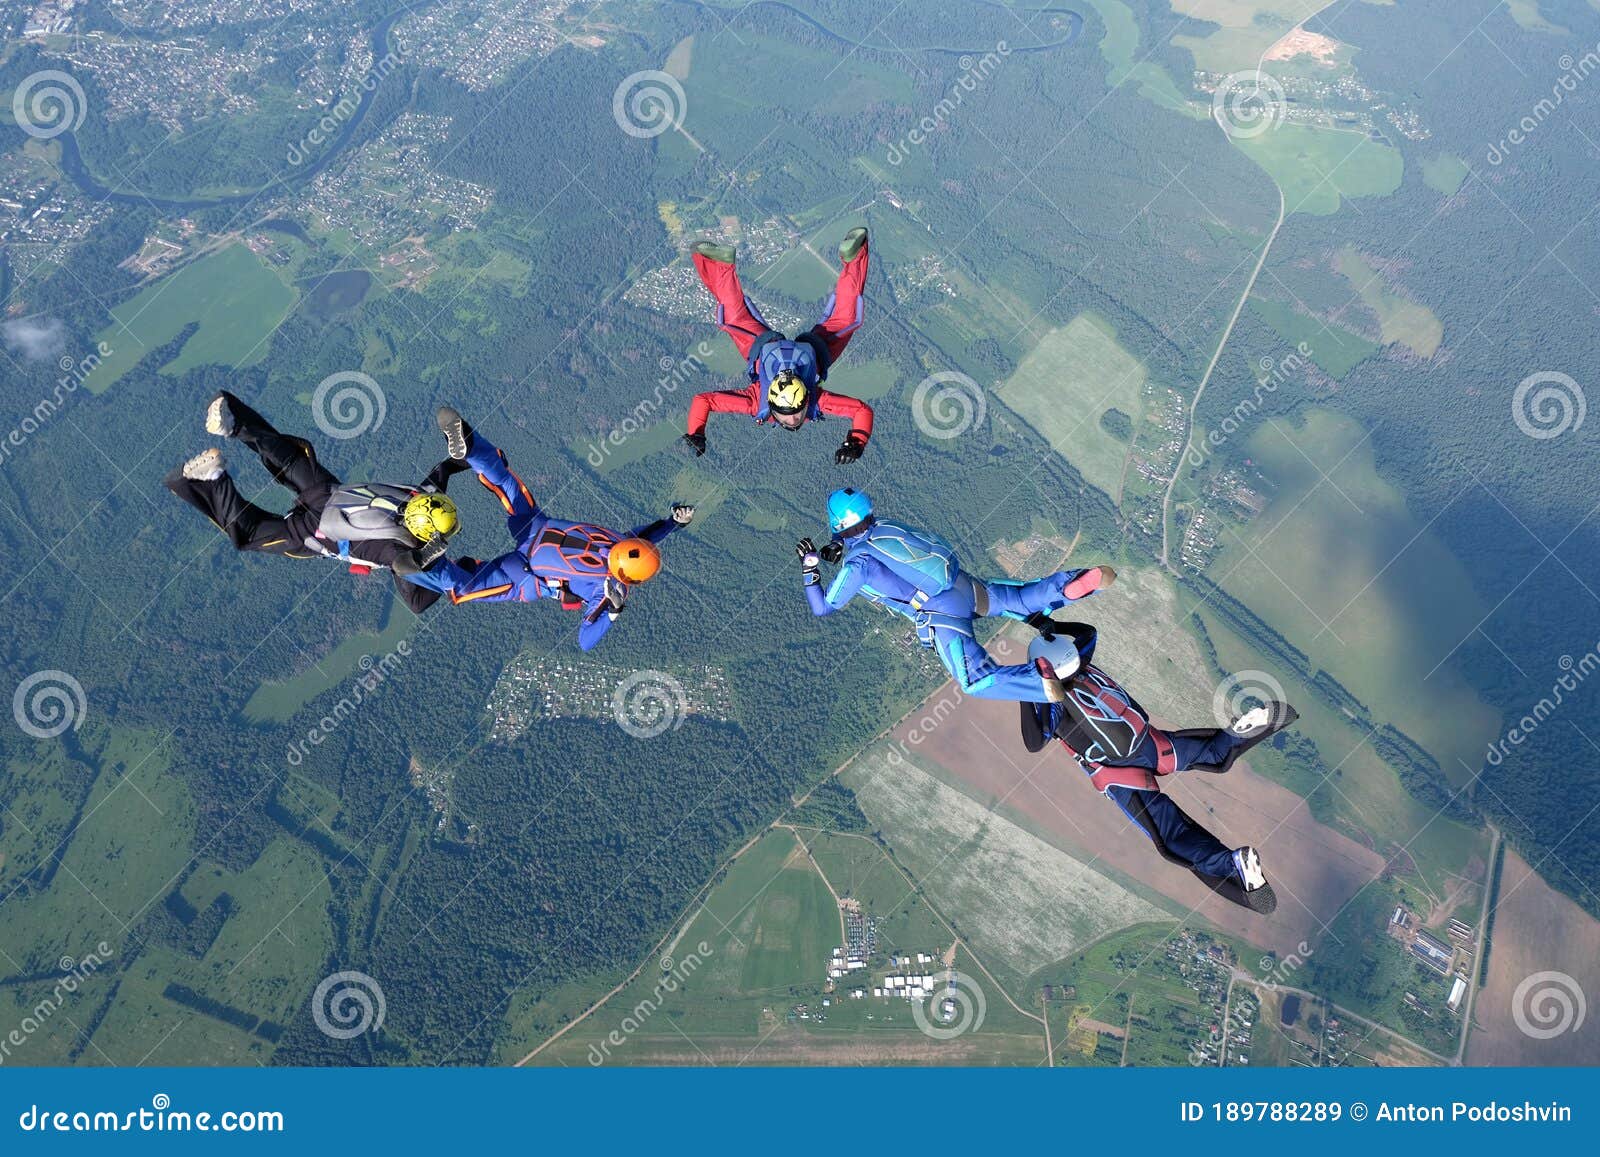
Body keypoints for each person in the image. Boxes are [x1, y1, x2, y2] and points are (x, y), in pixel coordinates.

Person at [1019, 620, 1298, 914]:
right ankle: (1239, 732)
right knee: (1214, 754)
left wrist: (1022, 691)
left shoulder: (1052, 702)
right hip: (1148, 743)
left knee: (1173, 839)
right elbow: (1088, 632)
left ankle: (1232, 864)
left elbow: (1034, 741)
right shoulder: (1082, 662)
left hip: (1118, 773)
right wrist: (1047, 625)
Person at [404, 407, 693, 650]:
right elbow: (585, 640)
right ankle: (427, 561)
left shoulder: (621, 541)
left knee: (506, 483)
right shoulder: (609, 588)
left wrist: (673, 523)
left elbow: (649, 538)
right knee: (466, 586)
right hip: (527, 575)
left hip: (536, 528)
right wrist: (614, 613)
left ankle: (473, 447)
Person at [797, 487, 1115, 703]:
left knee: (975, 679)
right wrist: (842, 544)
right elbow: (870, 541)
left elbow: (824, 607)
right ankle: (1071, 583)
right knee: (1017, 599)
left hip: (939, 612)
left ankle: (1038, 683)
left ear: (837, 524)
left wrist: (810, 569)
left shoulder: (858, 563)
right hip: (961, 584)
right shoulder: (883, 526)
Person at [164, 391, 462, 614]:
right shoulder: (400, 549)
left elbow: (443, 470)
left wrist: (465, 453)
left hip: (327, 493)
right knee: (249, 534)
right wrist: (439, 565)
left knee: (293, 457)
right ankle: (214, 478)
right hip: (315, 535)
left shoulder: (419, 497)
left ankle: (235, 421)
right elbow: (416, 601)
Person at [682, 227, 874, 465]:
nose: (793, 421)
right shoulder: (760, 400)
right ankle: (717, 263)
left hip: (800, 349)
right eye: (795, 415)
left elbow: (861, 411)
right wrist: (696, 433)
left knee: (845, 318)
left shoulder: (787, 400)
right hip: (769, 348)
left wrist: (857, 442)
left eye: (792, 415)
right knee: (734, 318)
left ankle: (854, 258)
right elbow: (703, 401)